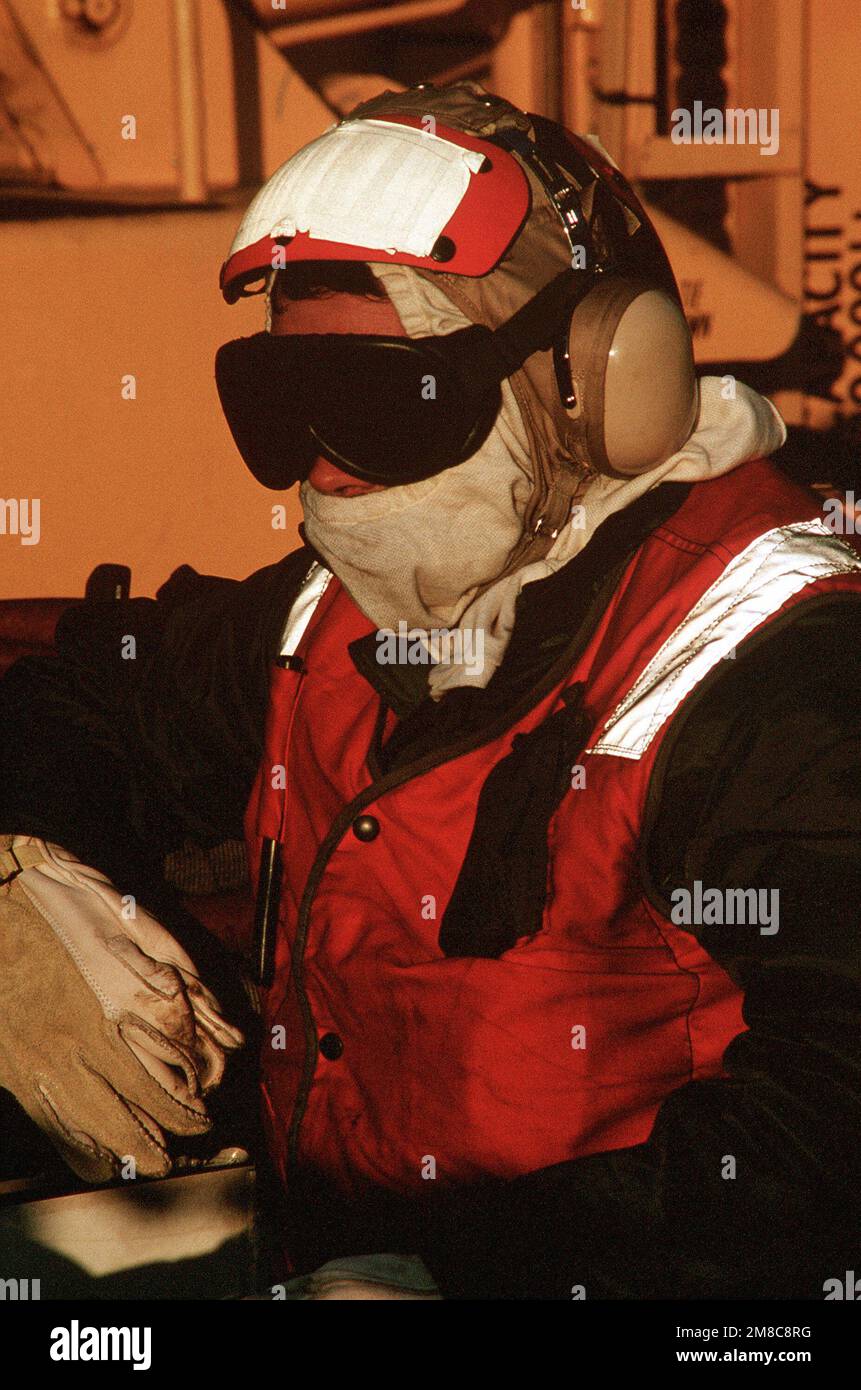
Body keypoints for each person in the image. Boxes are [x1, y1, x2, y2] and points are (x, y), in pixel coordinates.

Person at [2, 80, 861, 1301]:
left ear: (594, 383)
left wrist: (465, 1278)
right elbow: (72, 693)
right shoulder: (325, 619)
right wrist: (19, 878)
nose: (329, 475)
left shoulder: (779, 669)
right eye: (281, 409)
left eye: (379, 406)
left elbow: (829, 1131)